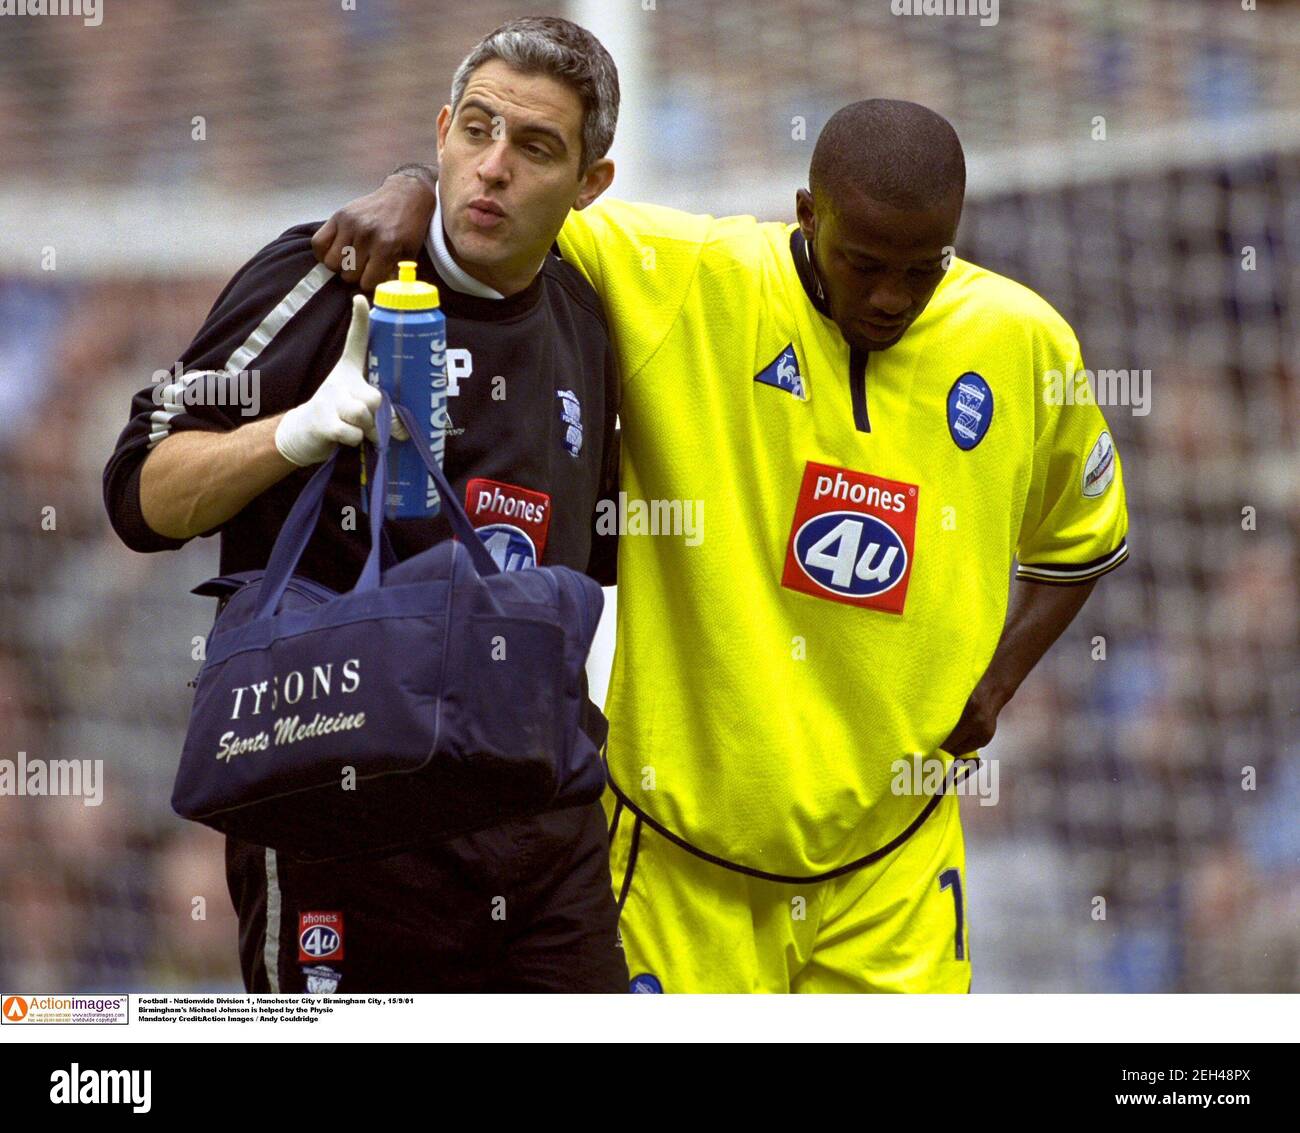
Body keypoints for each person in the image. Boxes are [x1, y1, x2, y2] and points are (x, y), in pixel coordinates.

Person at [318, 96, 1132, 994]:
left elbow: (1082, 541)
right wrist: (414, 187)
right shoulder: (689, 278)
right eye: (864, 265)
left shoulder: (1023, 343)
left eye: (922, 268)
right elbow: (519, 203)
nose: (892, 297)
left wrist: (998, 684)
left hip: (891, 869)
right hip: (679, 864)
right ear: (807, 212)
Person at [103, 17, 629, 993]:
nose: (494, 166)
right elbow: (139, 492)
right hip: (335, 816)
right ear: (440, 132)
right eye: (476, 131)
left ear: (590, 184)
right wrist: (294, 432)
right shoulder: (325, 274)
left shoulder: (590, 320)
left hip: (532, 826)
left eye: (536, 146)